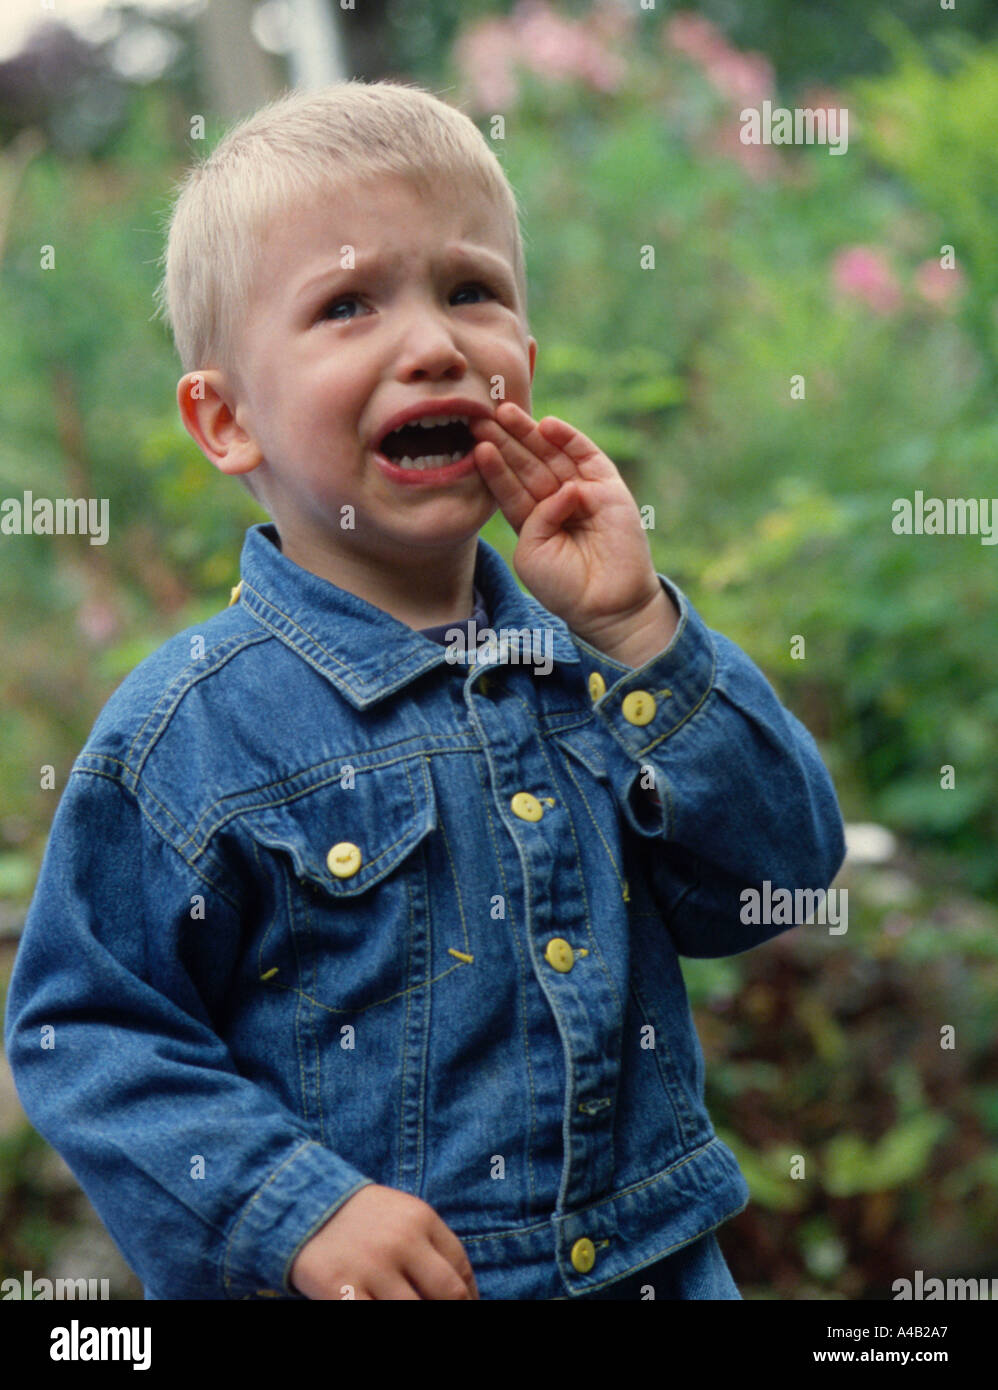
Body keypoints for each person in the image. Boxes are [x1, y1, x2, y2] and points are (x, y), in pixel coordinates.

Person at [4, 80, 845, 1301]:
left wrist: (635, 629)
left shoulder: (594, 663)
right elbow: (88, 1032)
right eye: (347, 303)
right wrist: (288, 1207)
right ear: (226, 417)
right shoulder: (188, 733)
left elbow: (773, 880)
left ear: (525, 361)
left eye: (470, 291)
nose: (436, 342)